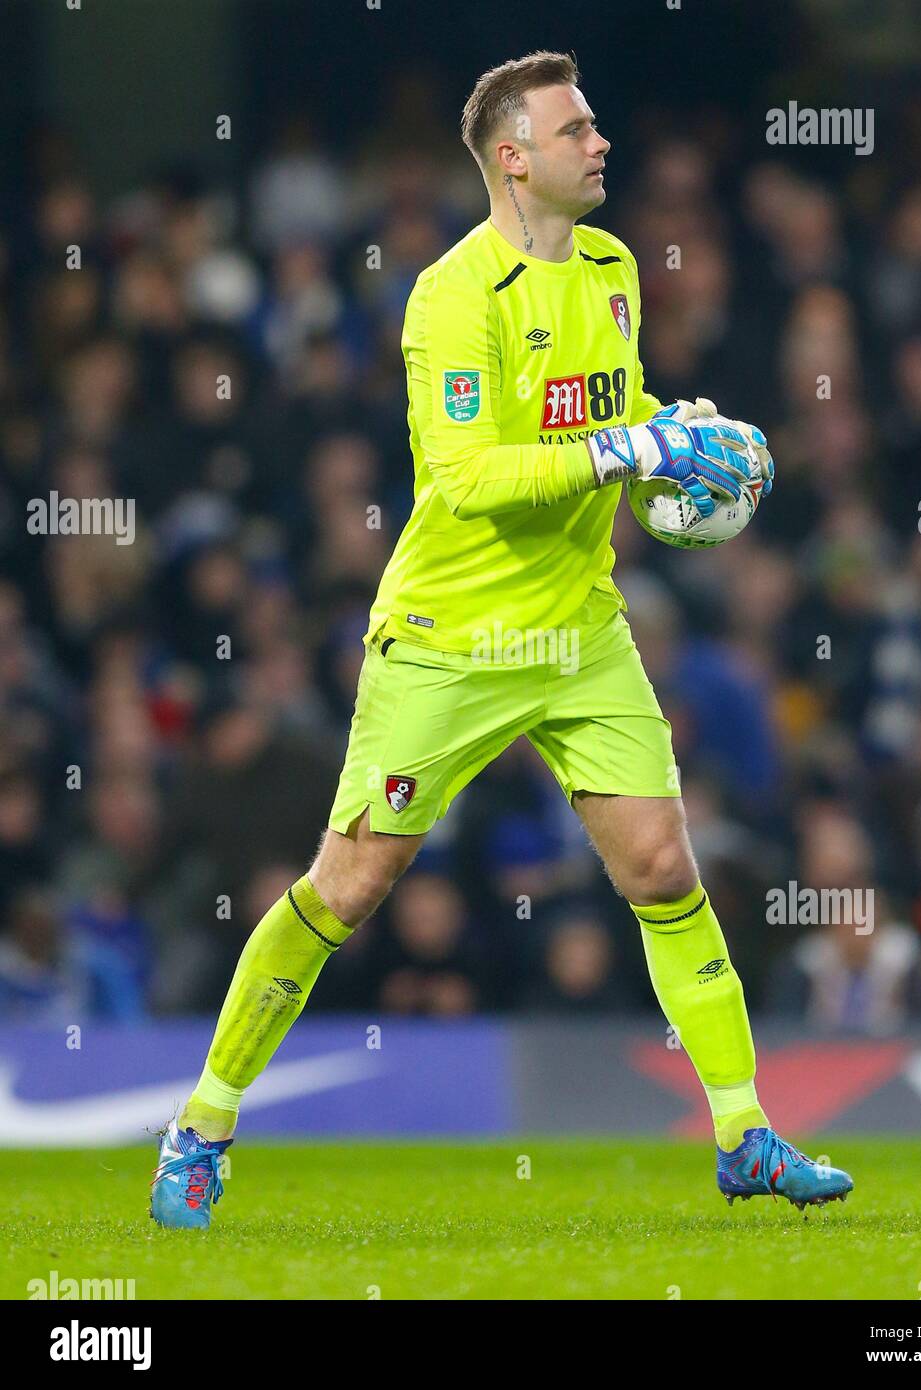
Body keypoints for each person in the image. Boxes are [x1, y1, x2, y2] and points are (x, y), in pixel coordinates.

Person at [151, 50, 851, 1228]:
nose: (602, 143)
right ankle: (203, 1122)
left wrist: (675, 450)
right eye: (577, 130)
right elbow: (471, 479)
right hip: (448, 635)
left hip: (580, 630)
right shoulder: (449, 297)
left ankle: (742, 1131)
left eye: (597, 126)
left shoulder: (619, 270)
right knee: (348, 885)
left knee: (664, 868)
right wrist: (628, 453)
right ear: (513, 157)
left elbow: (609, 429)